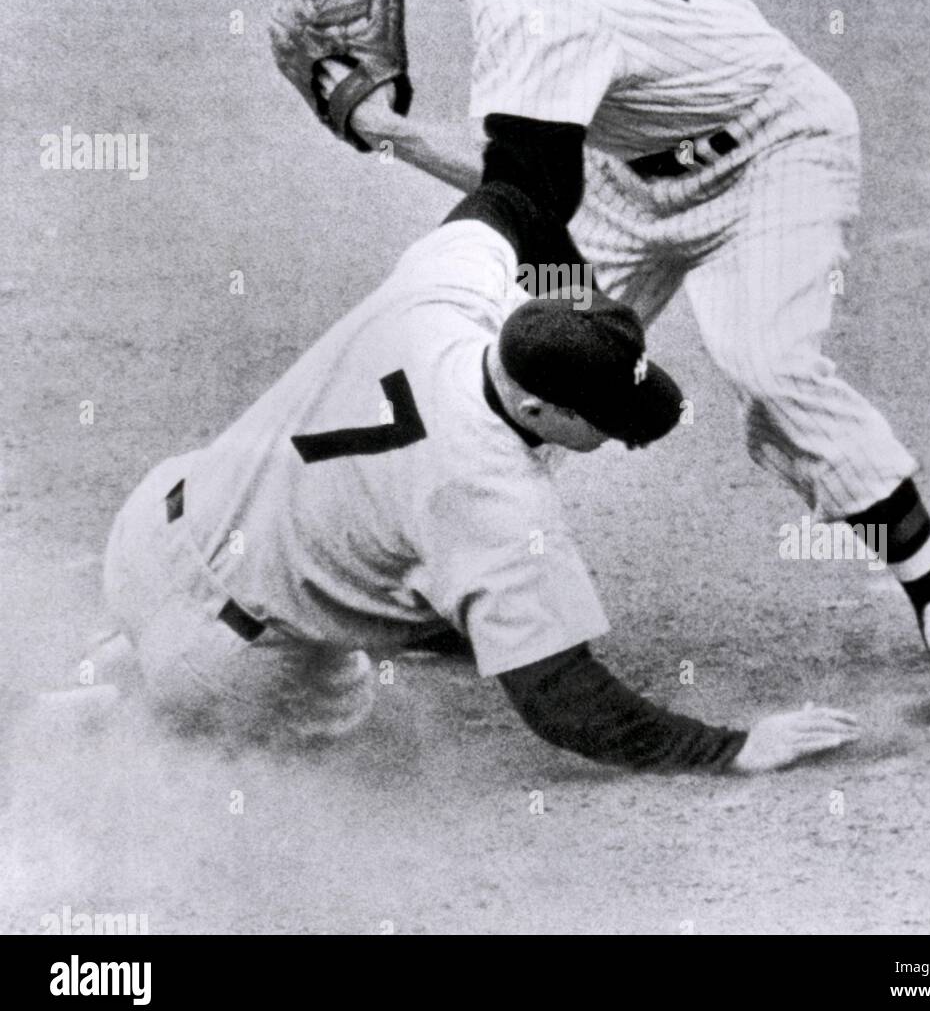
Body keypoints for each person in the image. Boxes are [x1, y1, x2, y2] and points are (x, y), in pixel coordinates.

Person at [305, 0, 930, 721]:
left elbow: (527, 197)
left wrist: (392, 136)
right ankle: (444, 588)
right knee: (494, 361)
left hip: (771, 146)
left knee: (761, 360)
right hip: (626, 174)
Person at [96, 165, 859, 772]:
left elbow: (507, 200)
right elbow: (563, 702)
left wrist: (579, 305)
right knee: (351, 730)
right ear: (537, 414)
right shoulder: (489, 498)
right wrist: (728, 748)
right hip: (231, 666)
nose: (615, 436)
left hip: (145, 532)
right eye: (603, 425)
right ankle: (108, 711)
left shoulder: (445, 298)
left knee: (388, 551)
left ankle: (118, 657)